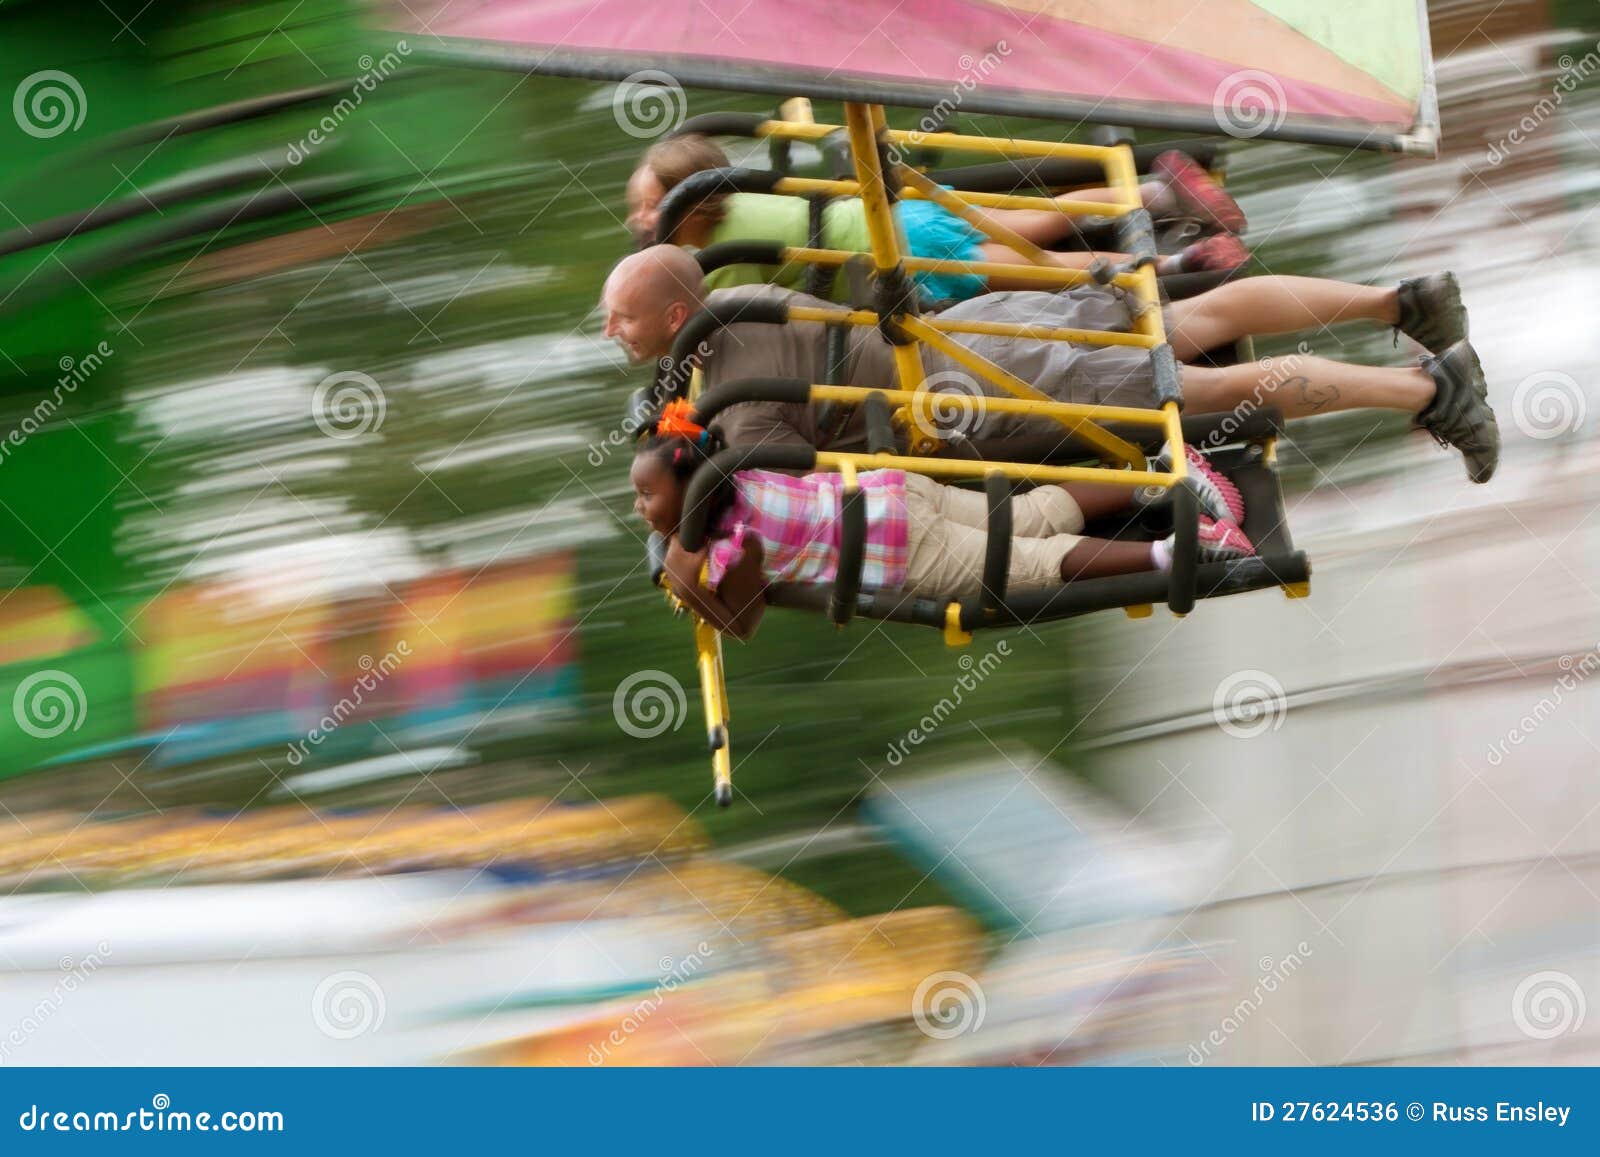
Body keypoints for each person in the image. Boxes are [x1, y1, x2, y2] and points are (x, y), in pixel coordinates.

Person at [601, 246, 1500, 482]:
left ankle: (1428, 389)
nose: (610, 331)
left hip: (981, 385)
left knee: (1204, 393)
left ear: (675, 316)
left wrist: (694, 462)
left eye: (620, 317)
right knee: (1195, 318)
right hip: (980, 330)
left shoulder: (729, 387)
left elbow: (769, 464)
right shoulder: (745, 302)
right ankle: (1403, 300)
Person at [630, 426, 1253, 642]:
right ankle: (1159, 478)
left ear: (689, 491)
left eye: (647, 494)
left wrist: (683, 573)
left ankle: (1174, 550)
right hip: (893, 490)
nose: (640, 509)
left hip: (897, 548)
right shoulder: (744, 470)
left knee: (1026, 563)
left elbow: (741, 620)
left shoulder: (731, 545)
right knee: (1029, 514)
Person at [625, 135, 1249, 305]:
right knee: (1039, 222)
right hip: (904, 216)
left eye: (650, 204)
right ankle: (1159, 194)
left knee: (1050, 269)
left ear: (693, 204)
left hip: (907, 261)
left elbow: (722, 311)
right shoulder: (748, 198)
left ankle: (1174, 265)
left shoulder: (712, 260)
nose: (640, 219)